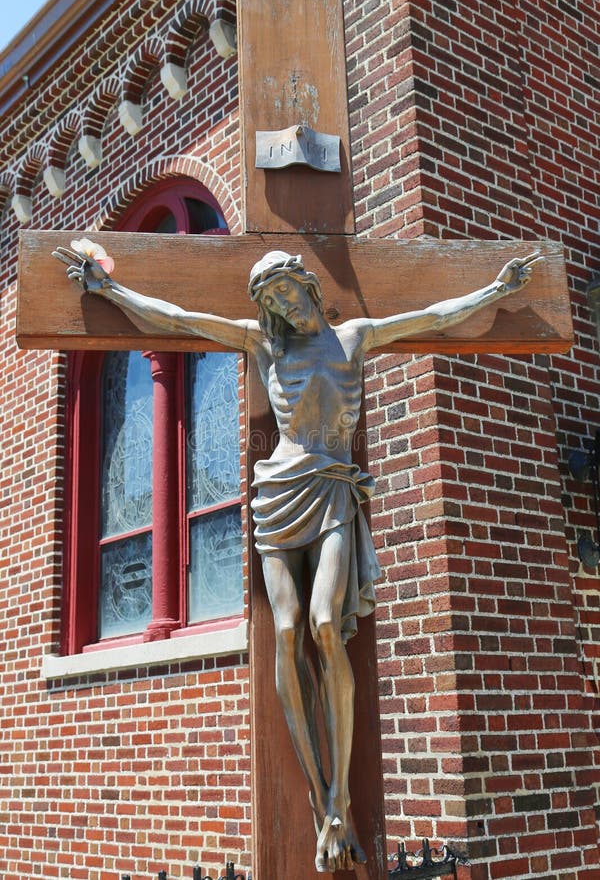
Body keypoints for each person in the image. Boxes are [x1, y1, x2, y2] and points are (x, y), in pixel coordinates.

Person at [53, 243, 541, 873]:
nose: (283, 305)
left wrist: (496, 292)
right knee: (285, 631)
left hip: (333, 492)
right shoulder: (264, 344)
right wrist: (110, 291)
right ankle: (322, 805)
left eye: (287, 290)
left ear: (307, 285)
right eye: (272, 299)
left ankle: (340, 793)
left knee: (324, 624)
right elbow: (177, 320)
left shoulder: (354, 337)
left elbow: (436, 317)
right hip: (277, 497)